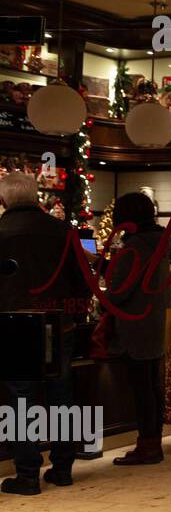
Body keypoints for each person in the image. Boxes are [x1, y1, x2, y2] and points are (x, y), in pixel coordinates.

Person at [0, 173, 89, 494]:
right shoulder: (63, 231)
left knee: (21, 399)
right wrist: (75, 315)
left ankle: (27, 474)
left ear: (4, 200)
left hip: (14, 323)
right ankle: (63, 468)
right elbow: (82, 280)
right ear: (37, 196)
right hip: (58, 321)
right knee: (61, 396)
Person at [104, 190, 171, 465]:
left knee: (142, 388)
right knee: (152, 386)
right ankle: (152, 441)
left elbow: (119, 290)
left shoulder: (135, 247)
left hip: (134, 326)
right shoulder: (157, 242)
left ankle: (147, 445)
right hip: (153, 322)